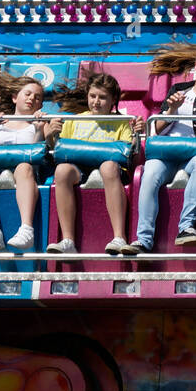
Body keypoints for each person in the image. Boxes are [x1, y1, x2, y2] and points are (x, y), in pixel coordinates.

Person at [132, 42, 196, 254]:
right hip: (167, 152)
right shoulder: (177, 90)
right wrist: (171, 109)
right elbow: (157, 130)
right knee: (149, 171)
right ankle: (143, 240)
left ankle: (186, 228)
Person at [46, 73, 142, 255]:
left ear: (113, 99)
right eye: (93, 96)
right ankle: (68, 241)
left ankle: (119, 236)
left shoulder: (122, 122)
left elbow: (131, 160)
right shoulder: (75, 119)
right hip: (79, 168)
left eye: (102, 97)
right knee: (62, 171)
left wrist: (136, 138)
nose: (96, 101)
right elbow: (59, 151)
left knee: (108, 166)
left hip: (111, 171)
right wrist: (50, 135)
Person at [0, 70, 49, 253]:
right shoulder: (0, 125)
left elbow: (36, 154)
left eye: (37, 98)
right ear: (15, 98)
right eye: (27, 94)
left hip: (25, 173)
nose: (31, 99)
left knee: (23, 167)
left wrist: (39, 130)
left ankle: (26, 229)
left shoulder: (38, 125)